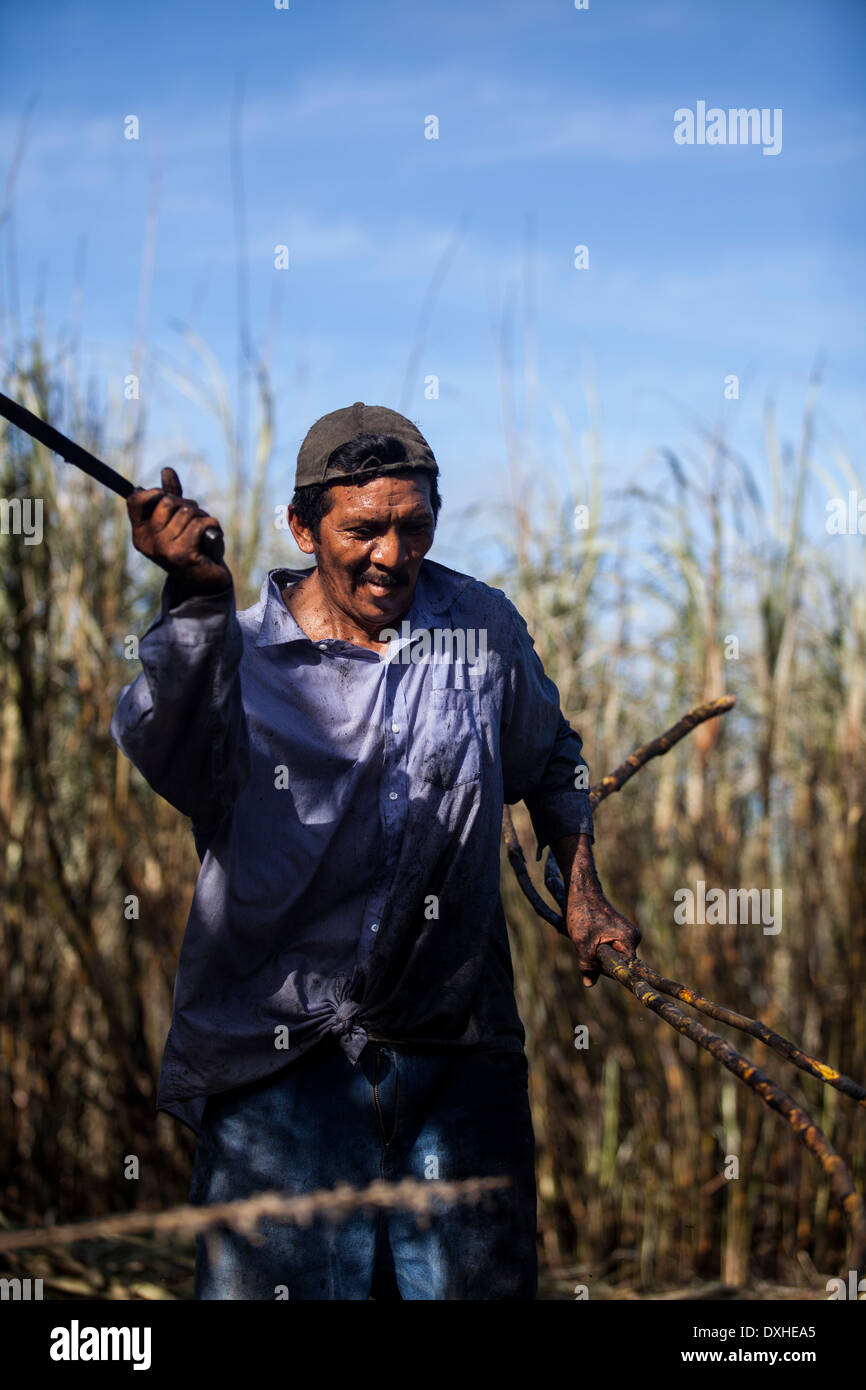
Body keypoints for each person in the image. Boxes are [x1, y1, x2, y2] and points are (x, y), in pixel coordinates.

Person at [110, 401, 641, 1300]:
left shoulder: (479, 630)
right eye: (363, 530)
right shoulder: (234, 656)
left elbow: (550, 759)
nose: (392, 557)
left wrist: (582, 887)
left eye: (414, 528)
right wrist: (195, 600)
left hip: (456, 1056)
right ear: (302, 527)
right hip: (282, 1069)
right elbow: (168, 748)